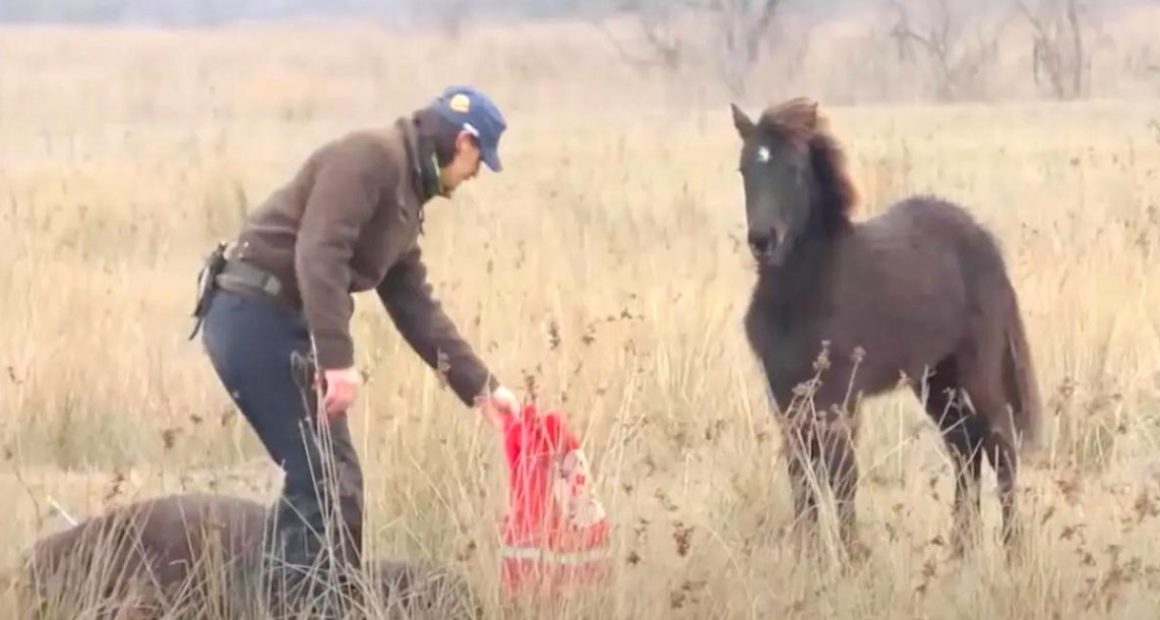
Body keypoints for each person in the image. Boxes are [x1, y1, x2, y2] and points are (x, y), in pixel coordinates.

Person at [189, 85, 520, 614]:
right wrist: (337, 361)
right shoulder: (372, 157)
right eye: (481, 161)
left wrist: (482, 388)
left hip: (276, 323)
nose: (476, 175)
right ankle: (295, 606)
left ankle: (319, 604)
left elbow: (414, 304)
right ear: (464, 142)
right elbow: (319, 252)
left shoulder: (404, 197)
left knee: (335, 479)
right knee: (322, 478)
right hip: (253, 317)